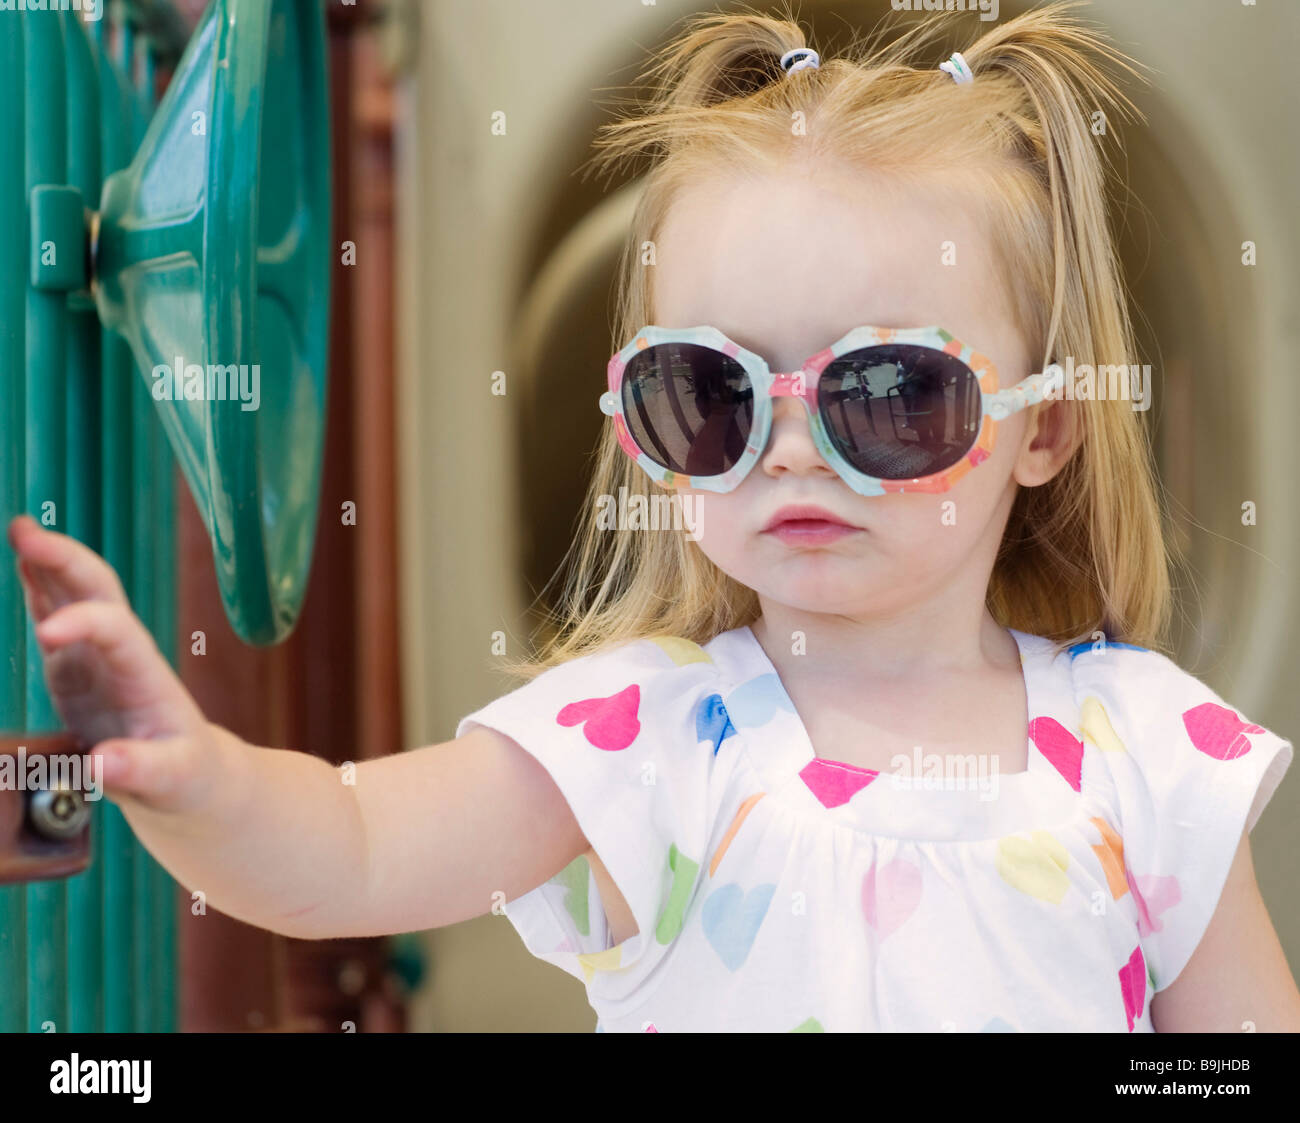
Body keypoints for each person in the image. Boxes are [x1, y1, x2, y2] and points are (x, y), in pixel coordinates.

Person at [8, 3, 1297, 1033]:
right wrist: (189, 771)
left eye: (892, 394)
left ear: (1044, 429)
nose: (793, 453)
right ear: (643, 422)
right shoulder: (647, 745)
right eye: (713, 395)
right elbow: (343, 848)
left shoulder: (1146, 756)